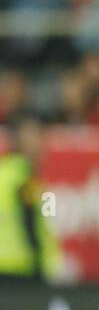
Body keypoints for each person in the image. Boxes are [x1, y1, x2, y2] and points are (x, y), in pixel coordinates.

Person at [0, 113, 60, 284]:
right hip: (20, 270)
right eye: (33, 134)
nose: (40, 142)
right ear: (17, 140)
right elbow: (31, 220)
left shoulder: (5, 171)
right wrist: (41, 266)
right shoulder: (23, 176)